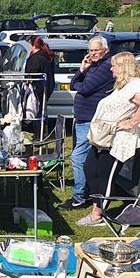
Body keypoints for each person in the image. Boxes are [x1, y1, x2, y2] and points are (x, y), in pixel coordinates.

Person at [78, 52, 140, 226]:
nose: (111, 68)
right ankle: (100, 204)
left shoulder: (135, 85)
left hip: (117, 140)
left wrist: (132, 122)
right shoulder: (122, 85)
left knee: (106, 175)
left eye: (114, 65)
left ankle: (97, 215)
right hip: (102, 138)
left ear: (123, 67)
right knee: (90, 169)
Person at [63, 36, 115, 210]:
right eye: (90, 50)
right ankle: (85, 193)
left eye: (96, 50)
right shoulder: (93, 65)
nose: (92, 54)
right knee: (84, 158)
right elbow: (73, 84)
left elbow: (84, 88)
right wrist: (82, 69)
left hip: (91, 120)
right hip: (83, 118)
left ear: (105, 50)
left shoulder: (106, 67)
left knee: (78, 157)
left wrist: (80, 81)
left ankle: (79, 197)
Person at [24, 36, 56, 137]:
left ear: (33, 45)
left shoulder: (36, 58)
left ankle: (39, 134)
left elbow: (32, 73)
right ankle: (42, 132)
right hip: (47, 87)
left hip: (38, 88)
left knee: (36, 110)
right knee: (42, 110)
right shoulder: (47, 55)